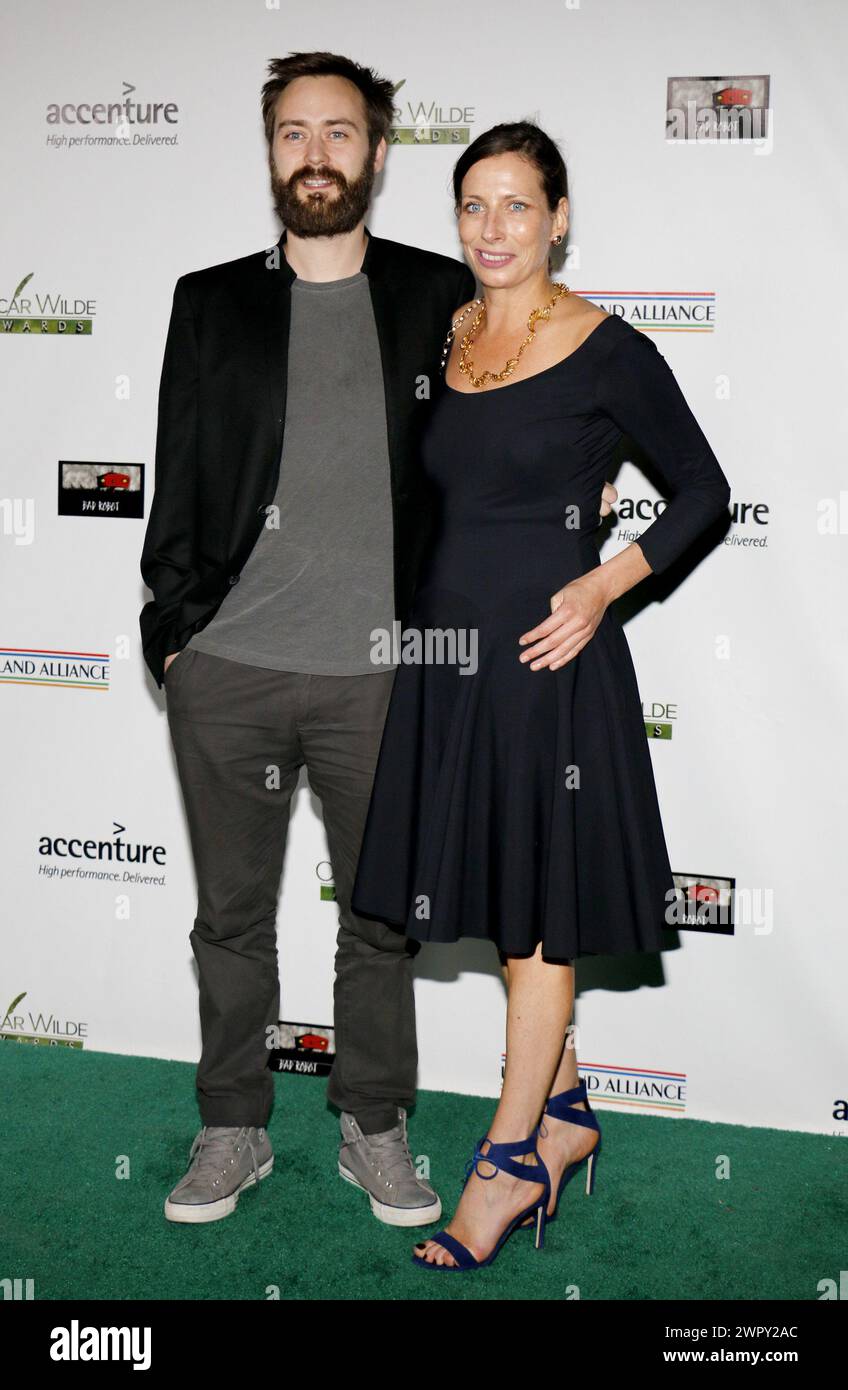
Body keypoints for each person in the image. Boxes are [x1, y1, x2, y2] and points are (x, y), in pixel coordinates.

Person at [138, 52, 624, 1227]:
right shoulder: (209, 300)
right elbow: (179, 479)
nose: (316, 153)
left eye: (339, 132)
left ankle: (374, 1127)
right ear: (270, 152)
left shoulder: (432, 296)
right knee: (230, 918)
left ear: (375, 153)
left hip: (383, 675)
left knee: (379, 920)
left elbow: (529, 381)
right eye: (294, 132)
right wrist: (174, 636)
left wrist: (584, 503)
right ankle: (230, 1128)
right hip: (231, 669)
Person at [351, 120, 732, 1270]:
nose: (493, 228)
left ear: (557, 218)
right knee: (501, 901)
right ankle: (563, 1111)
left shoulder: (606, 347)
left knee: (536, 917)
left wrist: (607, 584)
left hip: (542, 669)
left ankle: (507, 1159)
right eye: (472, 206)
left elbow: (704, 491)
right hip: (446, 664)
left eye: (517, 205)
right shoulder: (448, 333)